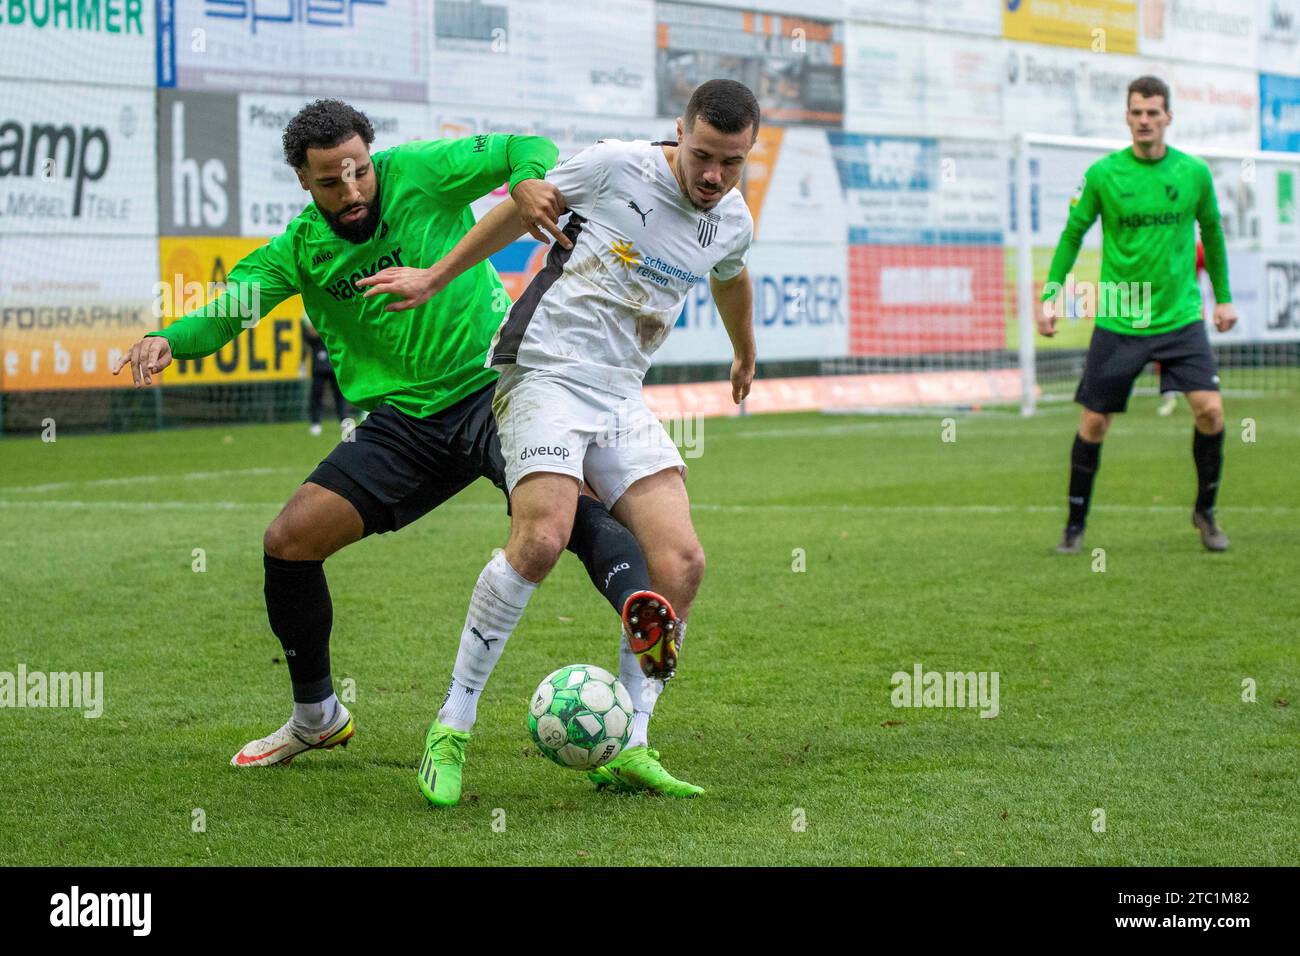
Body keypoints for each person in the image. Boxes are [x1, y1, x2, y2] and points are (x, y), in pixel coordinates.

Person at [112, 99, 664, 769]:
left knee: (556, 515)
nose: (351, 192)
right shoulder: (299, 250)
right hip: (404, 425)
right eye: (329, 182)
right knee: (289, 542)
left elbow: (521, 143)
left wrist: (526, 179)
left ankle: (640, 606)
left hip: (495, 389)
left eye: (359, 172)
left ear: (372, 158)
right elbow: (232, 312)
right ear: (303, 182)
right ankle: (317, 716)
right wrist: (166, 338)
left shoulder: (421, 172)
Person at [362, 79, 760, 805]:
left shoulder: (730, 219)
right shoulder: (616, 166)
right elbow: (523, 205)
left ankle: (631, 740)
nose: (713, 176)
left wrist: (744, 351)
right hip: (542, 370)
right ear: (680, 132)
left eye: (731, 163)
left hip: (617, 393)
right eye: (703, 156)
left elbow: (731, 279)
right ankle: (452, 724)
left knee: (682, 561)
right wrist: (433, 274)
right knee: (543, 537)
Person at [1039, 75, 1237, 554]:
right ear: (1126, 117)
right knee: (1094, 424)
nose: (1144, 120)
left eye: (1153, 112)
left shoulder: (1194, 174)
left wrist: (1224, 297)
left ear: (1168, 117)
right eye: (1136, 112)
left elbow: (1212, 233)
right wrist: (1051, 293)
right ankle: (1074, 522)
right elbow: (1072, 235)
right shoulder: (1104, 175)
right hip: (1120, 315)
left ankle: (1205, 513)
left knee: (1210, 411)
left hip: (1179, 315)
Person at [302, 315, 349, 435]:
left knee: (340, 395)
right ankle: (315, 423)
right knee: (316, 394)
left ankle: (344, 421)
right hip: (318, 367)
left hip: (335, 366)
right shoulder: (309, 322)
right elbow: (309, 339)